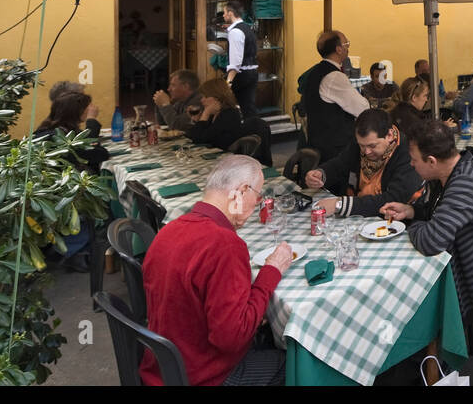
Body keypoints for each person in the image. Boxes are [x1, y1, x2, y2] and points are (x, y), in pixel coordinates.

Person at [141, 155, 292, 386]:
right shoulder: (224, 244)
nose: (257, 204)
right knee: (293, 364)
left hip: (162, 365)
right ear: (242, 191)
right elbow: (232, 339)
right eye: (258, 195)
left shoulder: (169, 229)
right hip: (202, 375)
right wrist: (271, 271)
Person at [379, 122, 473, 322]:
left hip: (466, 277)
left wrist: (410, 227)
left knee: (390, 291)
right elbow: (437, 211)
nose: (411, 164)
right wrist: (411, 211)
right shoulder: (449, 172)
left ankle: (416, 342)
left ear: (432, 161)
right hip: (451, 259)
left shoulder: (465, 184)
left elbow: (430, 242)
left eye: (414, 160)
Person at [34, 90, 111, 272]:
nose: (91, 109)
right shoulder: (58, 135)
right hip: (65, 193)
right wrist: (92, 121)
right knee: (104, 192)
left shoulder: (52, 129)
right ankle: (78, 253)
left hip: (56, 188)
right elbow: (96, 153)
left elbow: (89, 151)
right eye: (87, 108)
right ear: (77, 111)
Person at [303, 108, 421, 218]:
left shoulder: (408, 153)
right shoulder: (361, 143)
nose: (366, 152)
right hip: (357, 216)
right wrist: (320, 174)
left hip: (388, 222)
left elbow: (393, 200)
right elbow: (339, 165)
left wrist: (340, 204)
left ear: (389, 135)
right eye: (361, 145)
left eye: (372, 146)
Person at [298, 30, 366, 164]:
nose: (348, 48)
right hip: (335, 148)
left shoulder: (314, 71)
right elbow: (361, 108)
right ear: (339, 49)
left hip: (317, 141)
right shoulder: (334, 77)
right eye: (346, 43)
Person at [221, 0, 259, 119]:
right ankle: (254, 132)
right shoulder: (247, 28)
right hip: (252, 72)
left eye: (224, 12)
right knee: (248, 107)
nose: (223, 15)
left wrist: (228, 83)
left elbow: (236, 63)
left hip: (241, 74)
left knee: (225, 106)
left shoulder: (235, 32)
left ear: (230, 13)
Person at [188, 78, 244, 151]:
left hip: (226, 157)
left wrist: (205, 114)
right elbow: (191, 136)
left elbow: (199, 140)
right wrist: (197, 120)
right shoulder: (214, 113)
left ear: (217, 97)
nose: (202, 100)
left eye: (205, 96)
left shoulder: (229, 114)